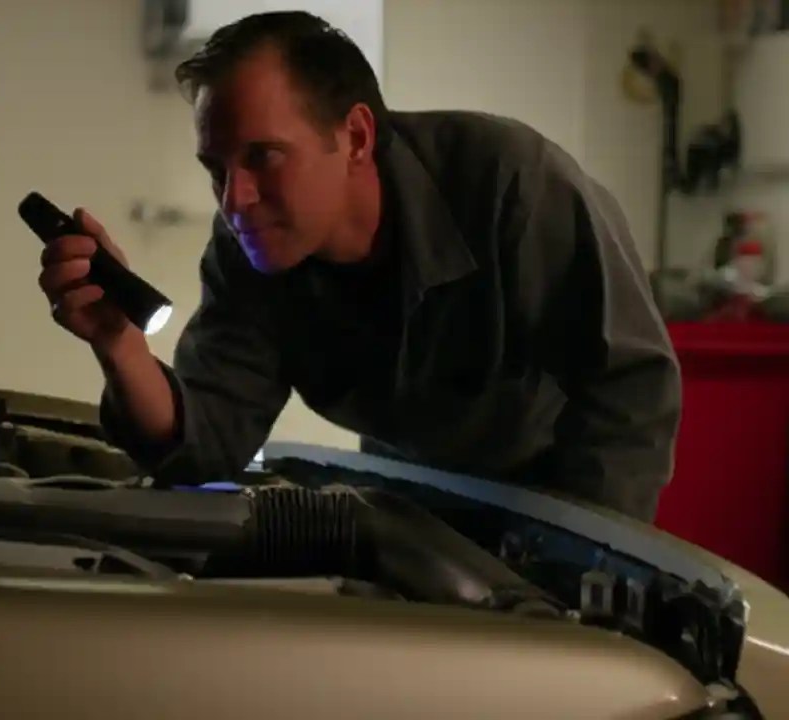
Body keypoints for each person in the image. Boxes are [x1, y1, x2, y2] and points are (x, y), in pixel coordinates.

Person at [36, 11, 681, 521]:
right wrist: (119, 345)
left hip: (558, 501)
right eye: (216, 168)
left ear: (357, 137)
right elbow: (207, 440)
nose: (234, 199)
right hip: (407, 501)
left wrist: (589, 585)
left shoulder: (511, 186)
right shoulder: (248, 253)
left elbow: (630, 388)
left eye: (263, 156)